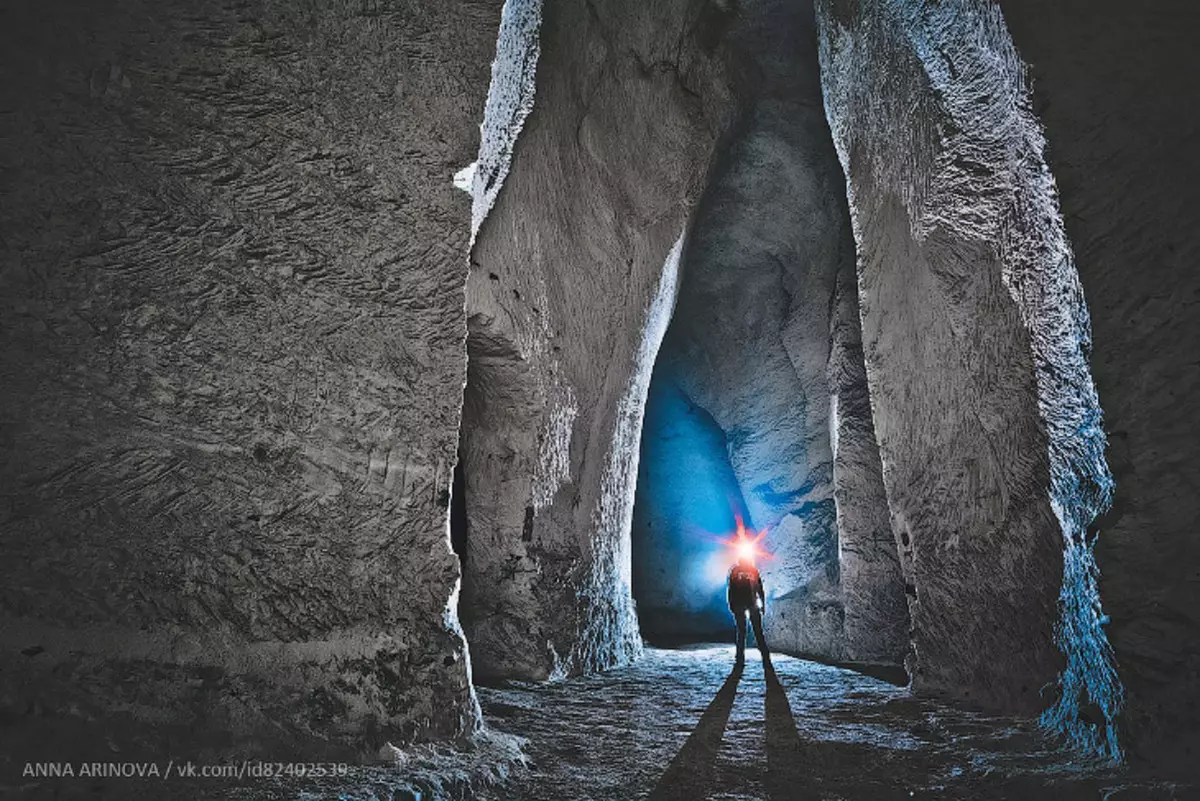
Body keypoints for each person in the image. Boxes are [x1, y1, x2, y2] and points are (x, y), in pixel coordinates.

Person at [727, 553, 770, 667]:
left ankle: (740, 658)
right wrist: (763, 604)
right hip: (752, 604)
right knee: (758, 631)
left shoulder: (735, 571)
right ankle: (765, 657)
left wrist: (731, 604)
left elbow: (731, 589)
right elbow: (760, 589)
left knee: (741, 632)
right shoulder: (753, 570)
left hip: (739, 604)